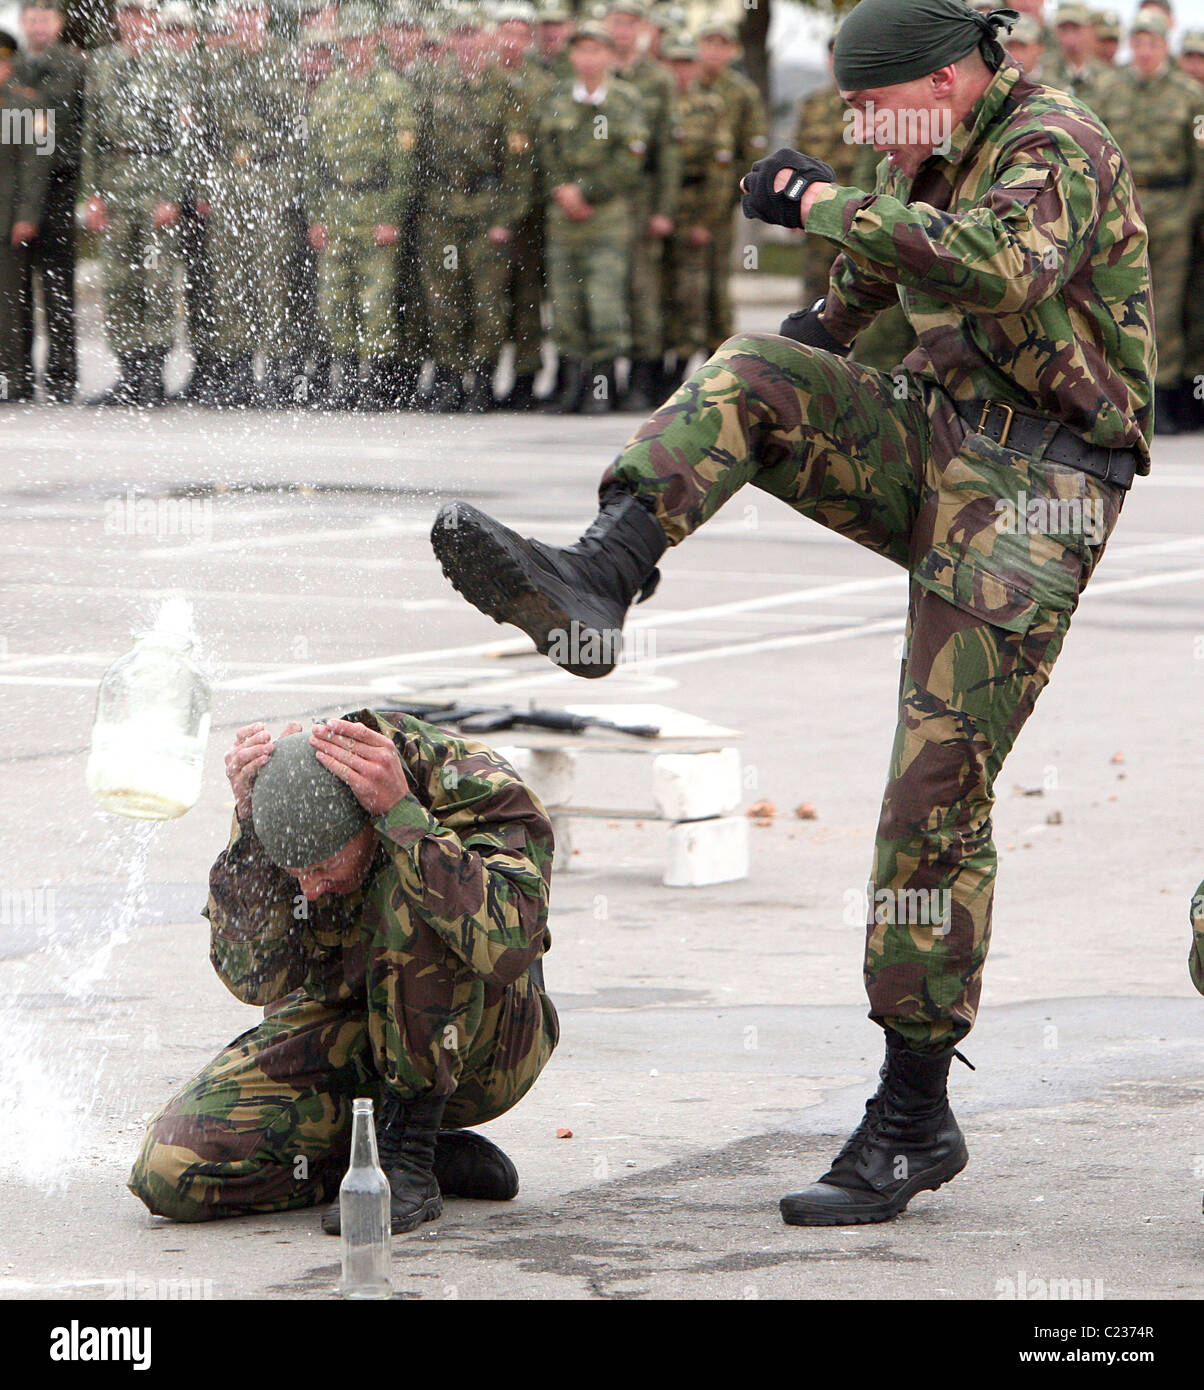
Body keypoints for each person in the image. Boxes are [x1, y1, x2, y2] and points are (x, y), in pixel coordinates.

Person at [430, 0, 1153, 1226]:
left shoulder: (1054, 143)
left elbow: (992, 265)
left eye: (874, 107)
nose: (862, 130)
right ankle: (603, 572)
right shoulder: (915, 156)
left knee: (934, 794)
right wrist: (761, 387)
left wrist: (817, 201)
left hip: (1040, 491)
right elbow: (843, 313)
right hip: (935, 442)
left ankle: (914, 1111)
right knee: (754, 367)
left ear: (944, 78)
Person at [128, 710, 559, 1232]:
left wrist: (402, 818)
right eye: (296, 874)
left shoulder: (470, 782)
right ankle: (365, 1160)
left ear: (364, 822)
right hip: (351, 1026)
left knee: (415, 890)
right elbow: (254, 979)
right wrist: (250, 835)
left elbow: (508, 947)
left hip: (483, 1048)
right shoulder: (294, 802)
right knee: (172, 1171)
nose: (309, 890)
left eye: (322, 869)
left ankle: (411, 1150)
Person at [1096, 8, 1203, 435]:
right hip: (1125, 203)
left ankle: (1165, 391)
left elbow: (1201, 160)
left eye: (1151, 43)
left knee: (1168, 303)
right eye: (1137, 42)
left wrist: (1193, 212)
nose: (1143, 51)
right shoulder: (1109, 89)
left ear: (1164, 46)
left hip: (1173, 204)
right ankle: (1123, 390)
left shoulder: (1190, 96)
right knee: (1120, 298)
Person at [538, 21, 647, 414]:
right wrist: (562, 190)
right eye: (581, 50)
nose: (588, 58)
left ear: (609, 56)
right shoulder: (556, 97)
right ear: (572, 56)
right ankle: (571, 387)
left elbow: (630, 158)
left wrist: (584, 192)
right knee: (565, 306)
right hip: (563, 217)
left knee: (603, 306)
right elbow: (545, 152)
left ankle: (601, 390)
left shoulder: (625, 100)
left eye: (596, 50)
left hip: (605, 216)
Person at [81, 0, 183, 408]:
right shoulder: (102, 61)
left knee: (156, 280)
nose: (134, 20)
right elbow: (91, 131)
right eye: (127, 12)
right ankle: (126, 372)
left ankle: (152, 378)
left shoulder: (171, 63)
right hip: (116, 179)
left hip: (157, 177)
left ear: (154, 18)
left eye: (141, 12)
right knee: (118, 281)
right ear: (118, 17)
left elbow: (183, 135)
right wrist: (93, 193)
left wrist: (173, 193)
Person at [14, 0, 84, 405]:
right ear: (23, 23)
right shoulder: (13, 64)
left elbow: (88, 124)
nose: (39, 25)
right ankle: (17, 372)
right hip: (22, 185)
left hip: (61, 181)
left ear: (58, 24)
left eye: (46, 19)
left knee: (57, 284)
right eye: (33, 19)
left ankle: (62, 372)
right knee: (16, 284)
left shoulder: (77, 67)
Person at [0, 27, 48, 406]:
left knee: (8, 306)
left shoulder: (25, 107)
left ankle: (12, 378)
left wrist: (27, 215)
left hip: (7, 220)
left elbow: (35, 166)